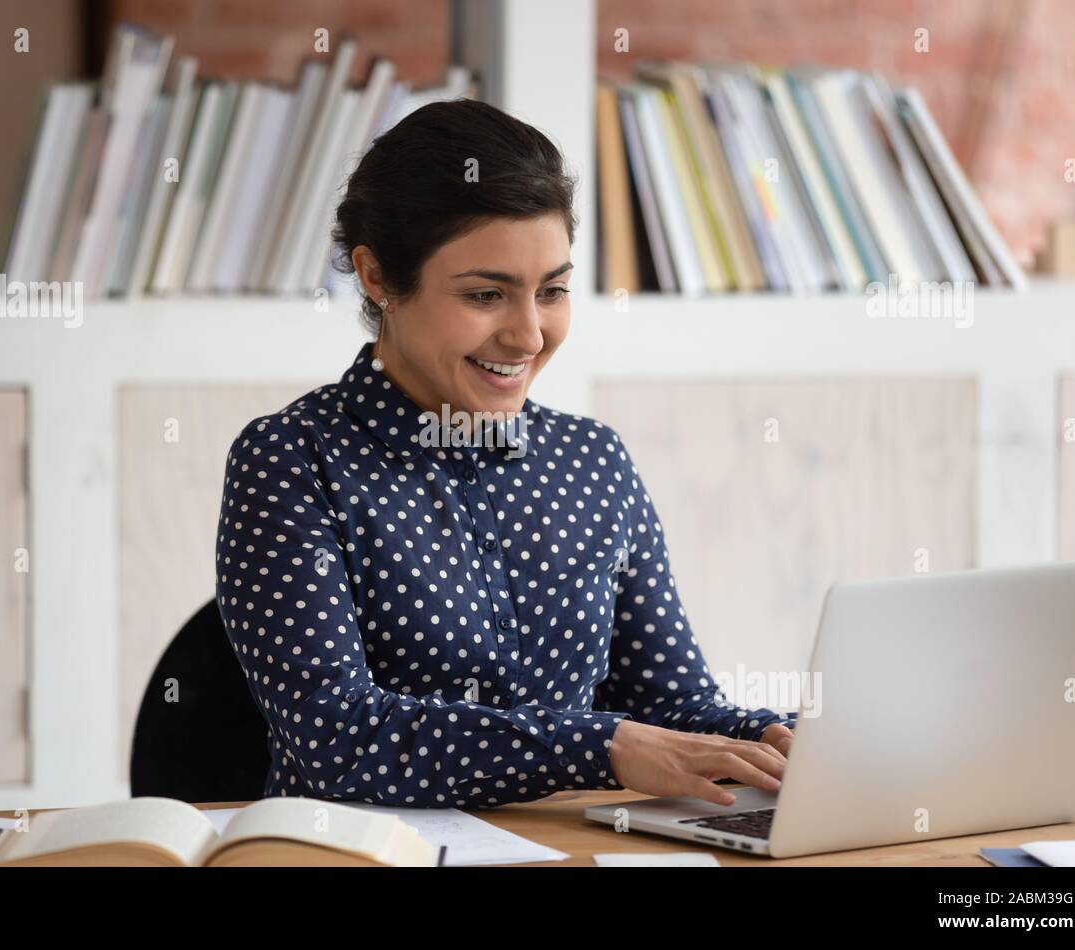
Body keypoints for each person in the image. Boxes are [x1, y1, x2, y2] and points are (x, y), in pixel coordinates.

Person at [215, 98, 795, 809]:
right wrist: (601, 746)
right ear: (377, 278)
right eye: (487, 294)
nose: (528, 336)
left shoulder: (593, 461)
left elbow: (670, 707)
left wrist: (776, 737)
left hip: (567, 851)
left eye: (552, 291)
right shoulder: (290, 462)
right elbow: (341, 741)